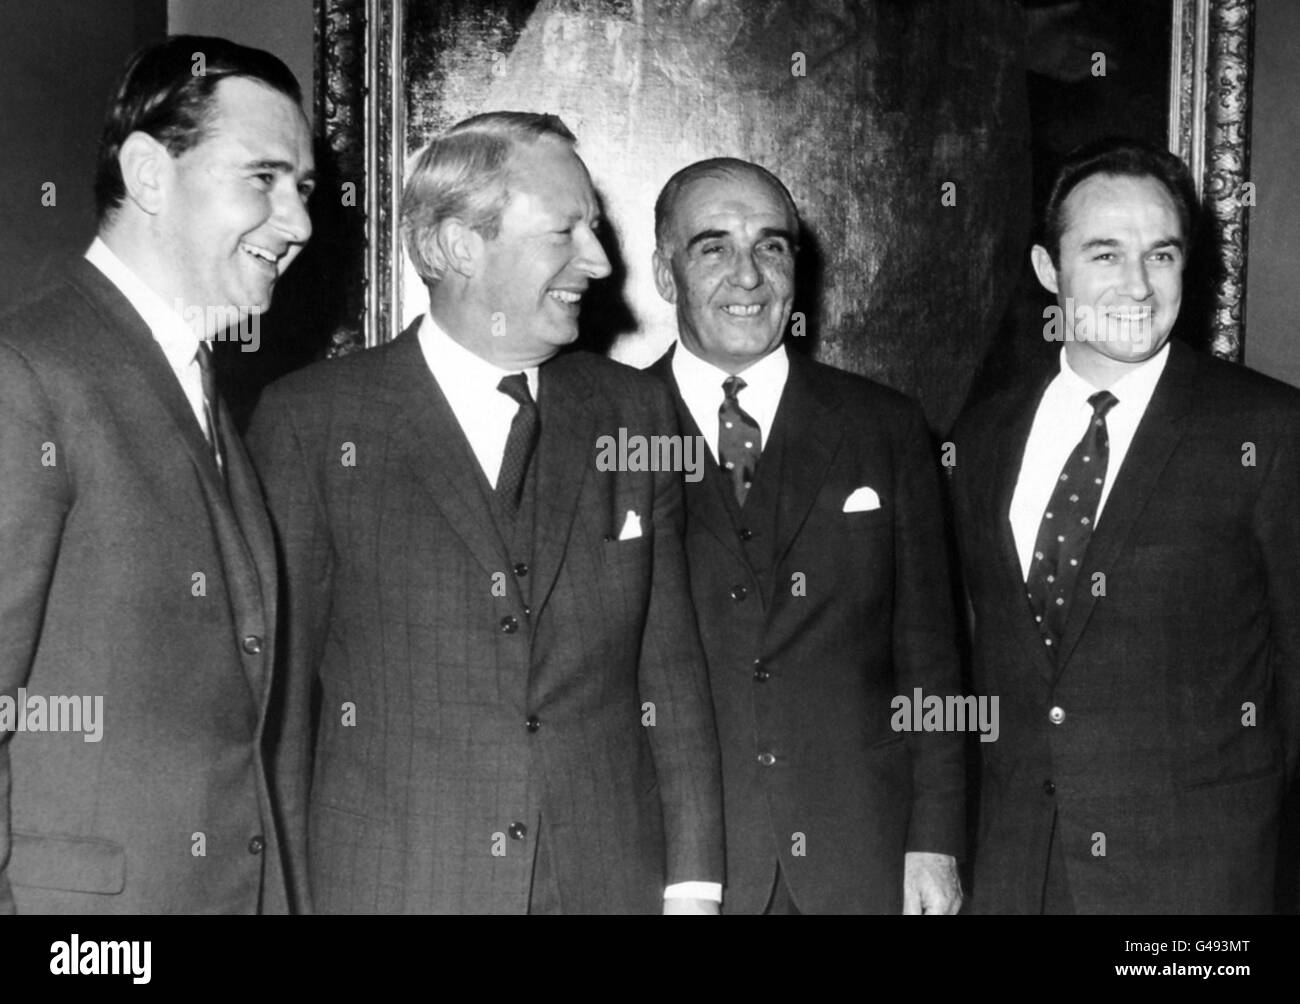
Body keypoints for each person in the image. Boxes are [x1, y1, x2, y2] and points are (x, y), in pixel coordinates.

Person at [247, 112, 724, 914]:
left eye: (596, 230)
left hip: (606, 886)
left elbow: (670, 671)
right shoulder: (312, 424)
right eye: (565, 232)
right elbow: (280, 709)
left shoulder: (635, 414)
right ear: (457, 247)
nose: (599, 262)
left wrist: (695, 890)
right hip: (394, 886)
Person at [0, 35, 314, 913]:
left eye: (304, 188)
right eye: (263, 178)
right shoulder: (27, 375)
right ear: (148, 175)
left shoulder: (200, 382)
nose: (298, 223)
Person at [951, 137, 1300, 914]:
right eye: (1105, 255)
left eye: (1163, 255)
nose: (1138, 285)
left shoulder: (1268, 431)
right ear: (1050, 271)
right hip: (1018, 874)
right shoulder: (980, 438)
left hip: (1196, 885)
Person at [647, 158, 965, 914]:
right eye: (714, 247)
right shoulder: (609, 428)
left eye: (772, 246)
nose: (748, 276)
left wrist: (937, 839)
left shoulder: (883, 426)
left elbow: (933, 657)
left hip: (862, 854)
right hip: (678, 867)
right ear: (667, 275)